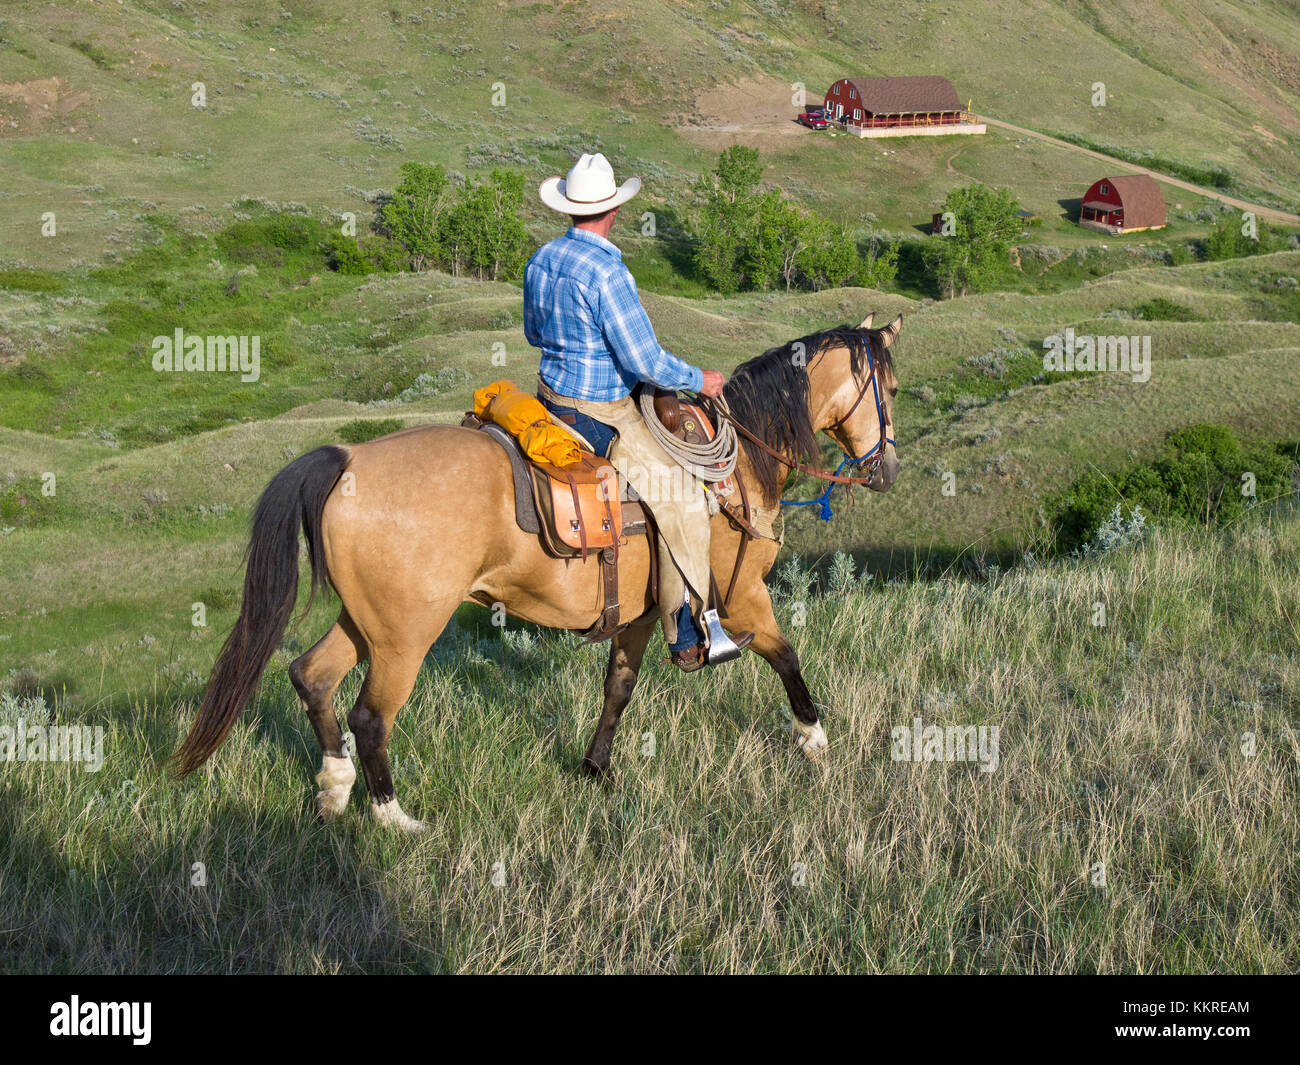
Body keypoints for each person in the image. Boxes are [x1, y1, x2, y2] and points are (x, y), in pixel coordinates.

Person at [523, 153, 751, 671]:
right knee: (681, 497)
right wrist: (700, 379)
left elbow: (534, 334)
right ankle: (686, 631)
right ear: (614, 211)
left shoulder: (542, 259)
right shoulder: (608, 273)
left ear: (570, 209)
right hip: (600, 412)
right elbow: (644, 360)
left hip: (549, 399)